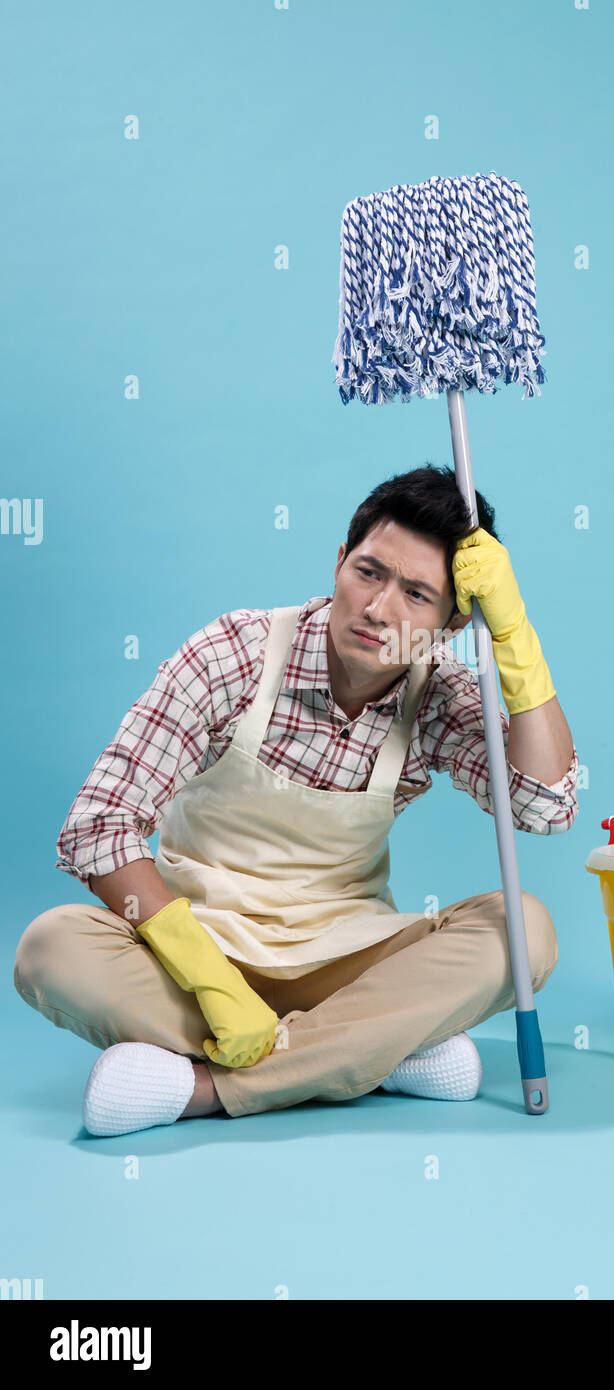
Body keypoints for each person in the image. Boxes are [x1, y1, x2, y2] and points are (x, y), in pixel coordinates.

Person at [14, 464, 579, 1136]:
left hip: (346, 958)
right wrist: (207, 976)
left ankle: (203, 1087)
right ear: (340, 561)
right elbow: (96, 826)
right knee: (49, 948)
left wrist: (515, 639)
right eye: (369, 572)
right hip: (198, 952)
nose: (379, 609)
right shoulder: (235, 654)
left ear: (453, 622)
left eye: (417, 595)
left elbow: (545, 805)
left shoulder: (441, 697)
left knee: (523, 930)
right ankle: (370, 1054)